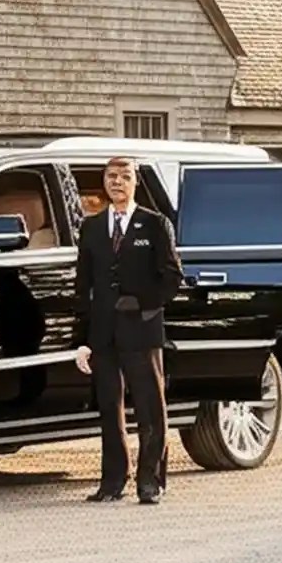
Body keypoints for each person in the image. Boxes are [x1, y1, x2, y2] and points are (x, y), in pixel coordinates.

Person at [72, 156, 183, 505]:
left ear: (135, 182)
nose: (117, 182)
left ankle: (150, 480)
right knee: (109, 408)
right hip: (104, 334)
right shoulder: (91, 227)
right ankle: (112, 481)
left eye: (124, 176)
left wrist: (142, 303)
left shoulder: (154, 224)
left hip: (142, 331)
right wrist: (82, 340)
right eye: (111, 176)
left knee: (150, 408)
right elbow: (83, 285)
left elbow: (172, 277)